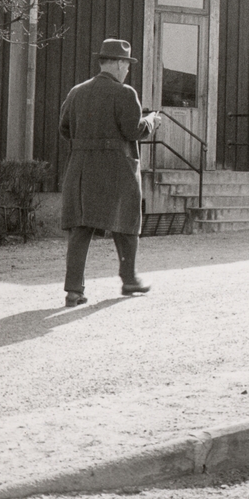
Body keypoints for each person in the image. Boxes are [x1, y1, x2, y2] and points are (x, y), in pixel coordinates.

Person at [59, 38, 161, 306]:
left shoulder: (76, 92)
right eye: (126, 64)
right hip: (117, 170)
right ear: (117, 63)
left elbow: (64, 128)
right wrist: (151, 122)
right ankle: (129, 280)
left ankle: (73, 290)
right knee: (126, 224)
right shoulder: (125, 93)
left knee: (81, 227)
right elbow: (133, 131)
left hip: (81, 169)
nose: (127, 69)